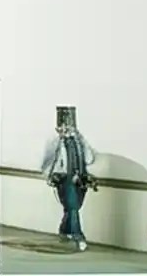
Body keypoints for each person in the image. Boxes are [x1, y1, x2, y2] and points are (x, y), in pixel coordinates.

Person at [40, 106, 96, 251]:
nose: (67, 127)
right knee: (73, 207)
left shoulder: (78, 141)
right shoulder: (55, 141)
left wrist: (81, 138)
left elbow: (90, 158)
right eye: (64, 123)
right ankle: (78, 236)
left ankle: (64, 231)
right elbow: (45, 163)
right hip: (65, 179)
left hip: (79, 178)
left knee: (72, 207)